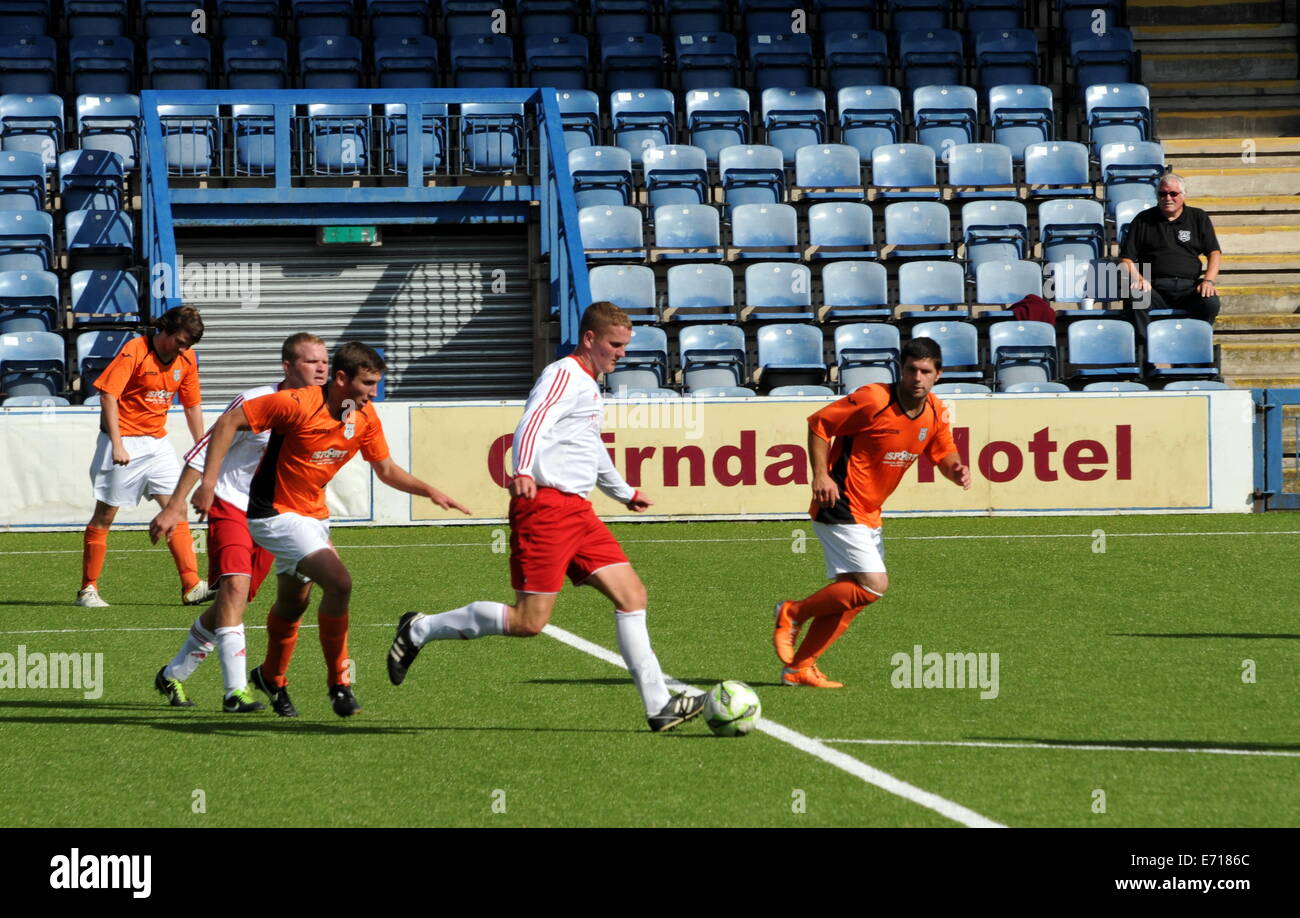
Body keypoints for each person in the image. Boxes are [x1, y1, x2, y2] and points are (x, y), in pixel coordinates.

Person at [386, 301, 705, 733]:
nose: (622, 353)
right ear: (589, 338)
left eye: (625, 346)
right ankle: (421, 629)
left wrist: (623, 491)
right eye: (615, 344)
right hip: (546, 508)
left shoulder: (590, 385)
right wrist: (521, 468)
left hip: (578, 511)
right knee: (528, 622)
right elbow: (532, 421)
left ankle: (659, 706)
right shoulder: (563, 374)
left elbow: (589, 446)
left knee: (632, 596)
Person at [191, 341, 470, 718]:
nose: (374, 392)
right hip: (273, 514)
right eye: (368, 383)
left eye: (376, 384)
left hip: (313, 517)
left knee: (294, 604)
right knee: (339, 582)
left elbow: (386, 470)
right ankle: (339, 683)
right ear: (341, 378)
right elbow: (228, 422)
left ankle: (271, 675)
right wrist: (208, 483)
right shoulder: (298, 403)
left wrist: (429, 490)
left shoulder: (364, 416)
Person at [772, 338, 972, 688]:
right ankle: (793, 612)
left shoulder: (936, 412)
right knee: (874, 585)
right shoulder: (874, 399)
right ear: (901, 369)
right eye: (911, 369)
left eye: (926, 371)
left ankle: (800, 667)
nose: (917, 378)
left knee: (849, 598)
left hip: (870, 512)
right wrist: (820, 475)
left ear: (938, 375)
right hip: (839, 500)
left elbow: (944, 452)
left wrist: (955, 468)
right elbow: (819, 424)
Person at [149, 333, 330, 712]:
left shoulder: (324, 409)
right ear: (288, 366)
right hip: (231, 505)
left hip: (276, 515)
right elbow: (202, 452)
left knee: (234, 604)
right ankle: (235, 692)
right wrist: (175, 506)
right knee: (233, 590)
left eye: (325, 361)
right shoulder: (254, 401)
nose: (321, 368)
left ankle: (172, 675)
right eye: (312, 361)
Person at [77, 305, 215, 609]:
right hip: (124, 441)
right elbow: (108, 396)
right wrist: (117, 444)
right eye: (180, 341)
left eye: (188, 344)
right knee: (106, 515)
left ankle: (191, 585)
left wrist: (202, 445)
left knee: (176, 509)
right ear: (164, 331)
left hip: (157, 443)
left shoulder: (187, 359)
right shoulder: (135, 350)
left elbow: (191, 405)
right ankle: (88, 589)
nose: (184, 349)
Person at [1119, 172, 1222, 339]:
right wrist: (1137, 278)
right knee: (1136, 298)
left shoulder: (1198, 217)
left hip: (1189, 289)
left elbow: (1214, 252)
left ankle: (1193, 354)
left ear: (1183, 195)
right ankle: (1147, 359)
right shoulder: (1143, 219)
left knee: (1210, 302)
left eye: (1173, 193)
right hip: (1154, 288)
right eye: (1162, 193)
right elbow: (1126, 258)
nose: (1168, 197)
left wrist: (1208, 281)